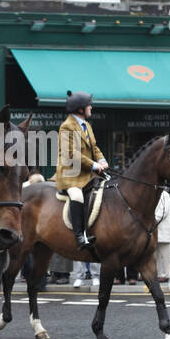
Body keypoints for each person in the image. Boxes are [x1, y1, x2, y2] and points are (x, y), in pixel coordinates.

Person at [54, 90, 108, 249]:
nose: (91, 108)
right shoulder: (66, 127)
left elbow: (94, 147)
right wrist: (94, 165)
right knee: (77, 196)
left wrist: (102, 160)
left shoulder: (87, 126)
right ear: (80, 109)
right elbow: (71, 153)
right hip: (70, 174)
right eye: (88, 106)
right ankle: (79, 236)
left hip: (87, 174)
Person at [155, 186, 170, 281]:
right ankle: (158, 273)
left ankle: (167, 274)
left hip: (163, 229)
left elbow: (163, 211)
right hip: (154, 229)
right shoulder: (154, 194)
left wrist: (152, 219)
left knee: (165, 255)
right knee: (155, 254)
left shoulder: (165, 195)